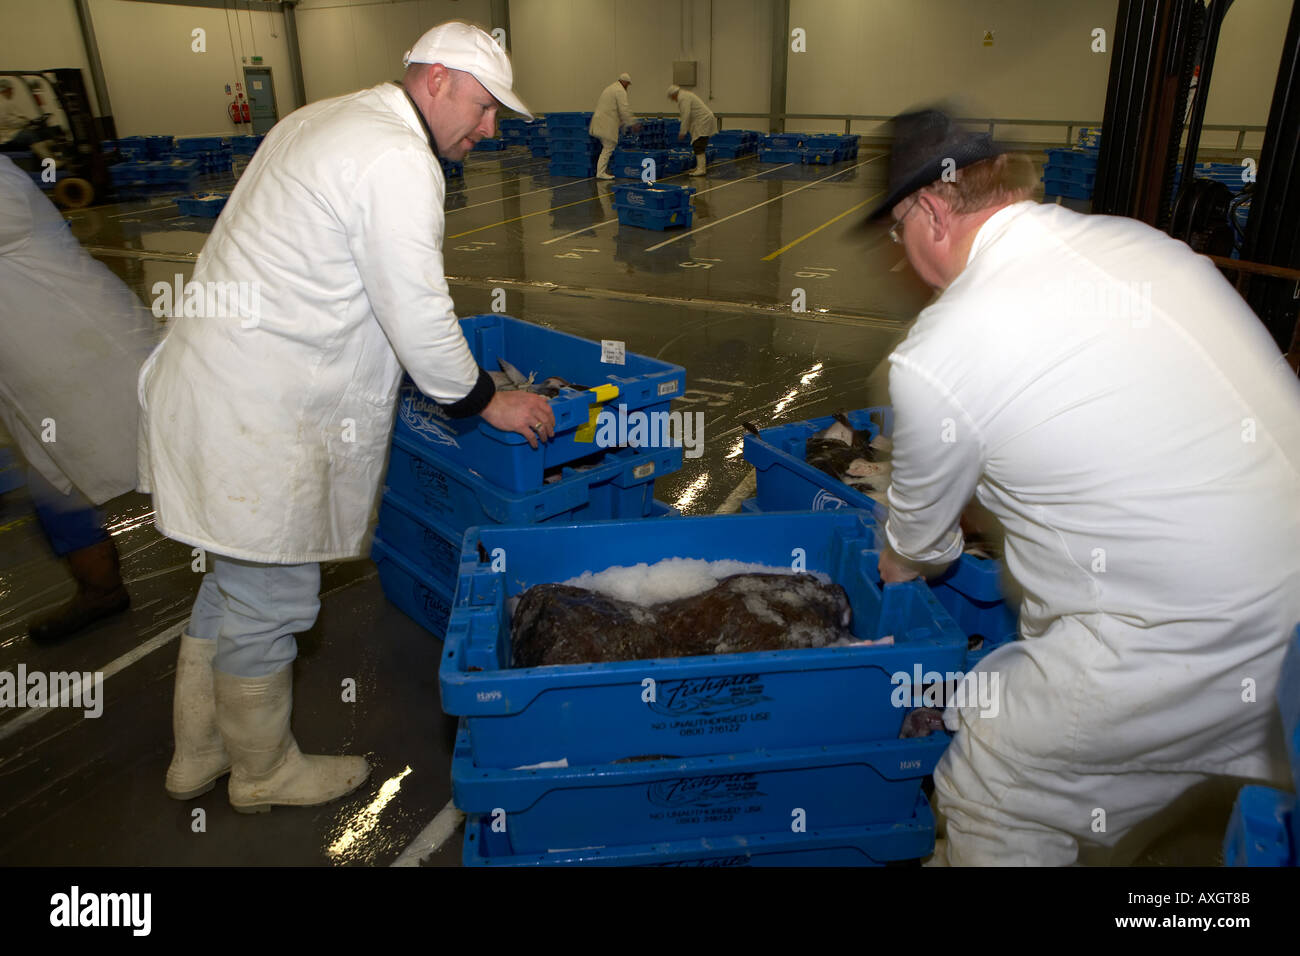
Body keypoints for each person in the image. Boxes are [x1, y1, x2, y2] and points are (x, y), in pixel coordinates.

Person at [139, 21, 555, 814]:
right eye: (484, 106)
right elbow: (420, 314)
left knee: (233, 583)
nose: (490, 127)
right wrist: (485, 400)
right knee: (270, 599)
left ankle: (199, 753)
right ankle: (262, 772)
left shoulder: (326, 116)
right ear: (436, 81)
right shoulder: (397, 157)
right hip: (257, 415)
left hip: (215, 387)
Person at [870, 108, 1300, 865]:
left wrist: (889, 574)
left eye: (897, 231)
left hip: (1184, 647)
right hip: (1286, 643)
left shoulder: (942, 353)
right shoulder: (1143, 244)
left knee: (993, 777)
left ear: (932, 212)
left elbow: (915, 552)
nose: (901, 257)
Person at [0, 154, 157, 642]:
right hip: (31, 379)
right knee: (56, 493)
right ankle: (102, 591)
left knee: (179, 461)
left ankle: (269, 570)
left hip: (99, 356)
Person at [590, 72, 638, 180]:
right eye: (628, 84)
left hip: (600, 122)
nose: (628, 87)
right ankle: (600, 173)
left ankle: (601, 171)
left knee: (607, 147)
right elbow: (624, 109)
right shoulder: (620, 91)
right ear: (625, 82)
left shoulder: (610, 88)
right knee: (608, 147)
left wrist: (624, 124)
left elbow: (615, 109)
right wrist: (632, 123)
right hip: (605, 124)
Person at [667, 85, 716, 177]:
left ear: (674, 95)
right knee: (698, 144)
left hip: (702, 121)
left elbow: (686, 115)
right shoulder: (685, 95)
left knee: (698, 145)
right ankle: (700, 167)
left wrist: (683, 131)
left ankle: (701, 169)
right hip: (701, 121)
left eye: (672, 98)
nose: (673, 100)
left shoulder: (683, 98)